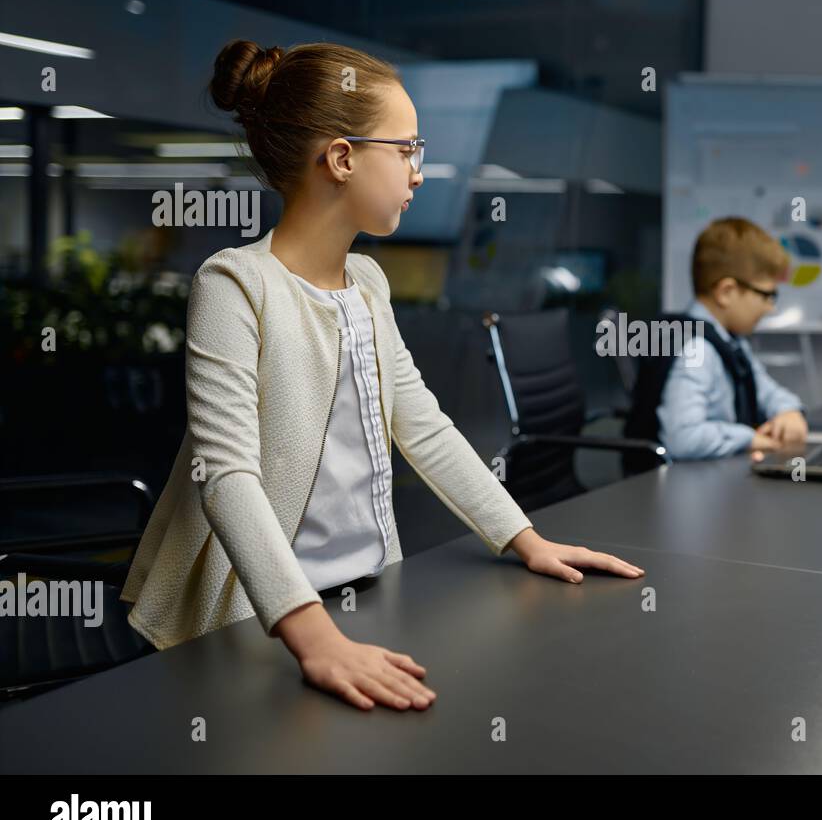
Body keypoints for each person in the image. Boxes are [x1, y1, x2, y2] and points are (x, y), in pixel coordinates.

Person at [121, 40, 643, 712]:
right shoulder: (235, 284)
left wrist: (525, 539)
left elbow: (422, 425)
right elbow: (226, 477)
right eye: (406, 151)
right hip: (261, 616)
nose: (419, 173)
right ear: (341, 158)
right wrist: (314, 638)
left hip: (371, 590)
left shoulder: (367, 283)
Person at [657, 217, 807, 459]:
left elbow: (765, 390)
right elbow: (682, 438)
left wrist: (789, 411)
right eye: (767, 295)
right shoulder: (697, 350)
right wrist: (749, 438)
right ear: (726, 292)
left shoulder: (731, 342)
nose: (771, 308)